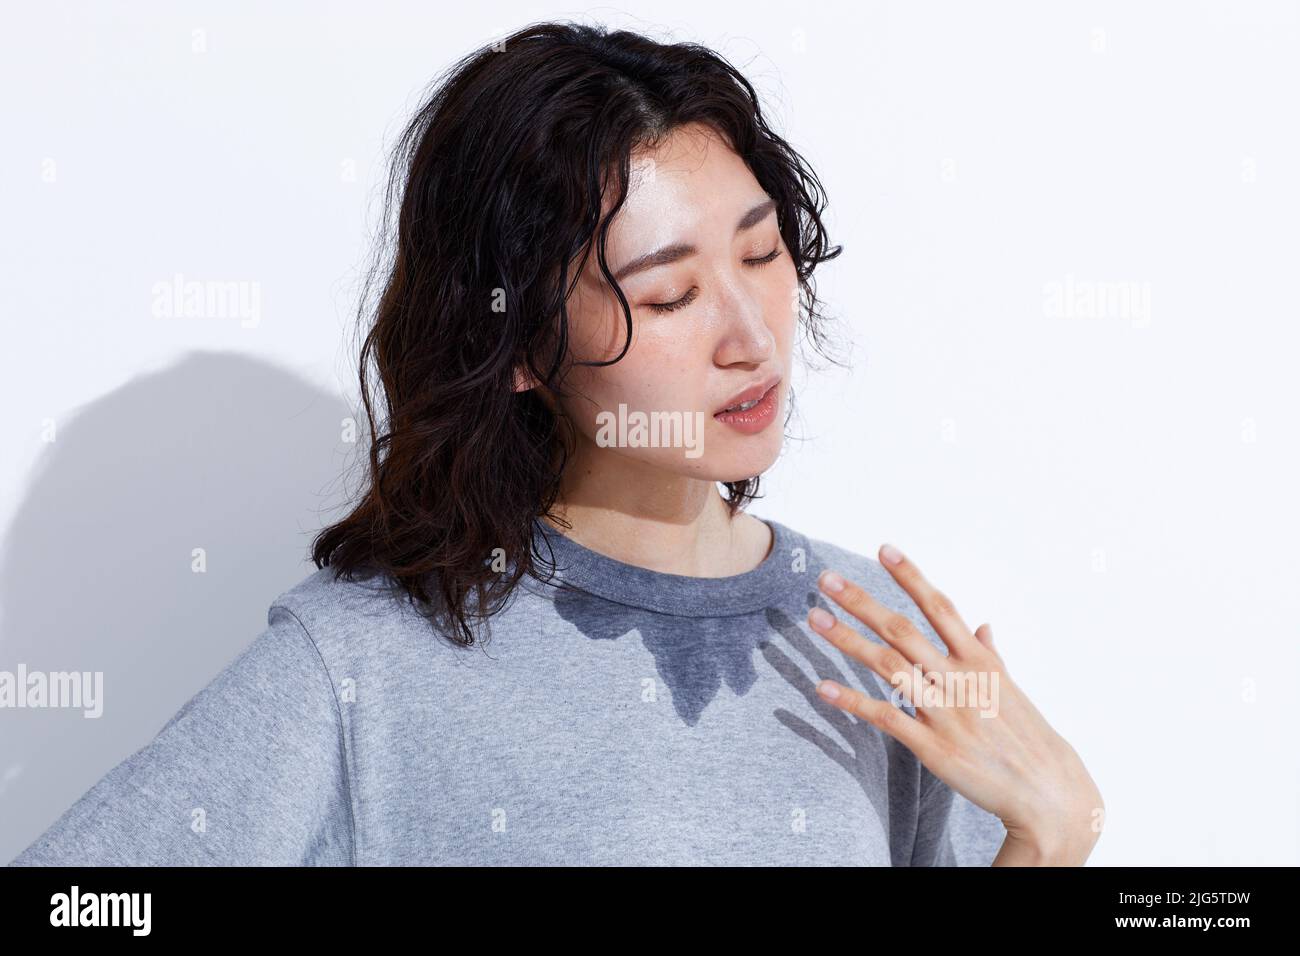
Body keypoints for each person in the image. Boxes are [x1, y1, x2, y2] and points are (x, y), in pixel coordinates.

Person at [9, 21, 1101, 867]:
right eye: (668, 294)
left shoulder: (876, 639)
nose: (748, 333)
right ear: (521, 344)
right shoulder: (366, 662)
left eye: (762, 254)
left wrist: (1048, 838)